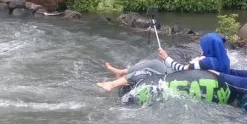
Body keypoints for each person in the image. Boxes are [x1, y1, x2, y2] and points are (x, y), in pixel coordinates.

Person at [97, 33, 231, 92]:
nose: (201, 49)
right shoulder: (223, 59)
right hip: (199, 80)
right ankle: (121, 72)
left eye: (204, 47)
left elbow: (181, 69)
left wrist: (166, 58)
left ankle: (112, 84)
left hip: (184, 79)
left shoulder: (206, 62)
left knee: (154, 65)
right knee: (154, 63)